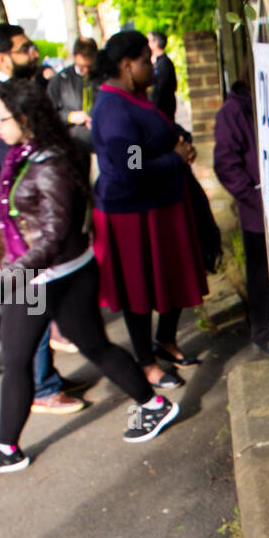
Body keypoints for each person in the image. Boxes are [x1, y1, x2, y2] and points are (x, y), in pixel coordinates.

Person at [0, 80, 179, 479]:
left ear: (24, 119)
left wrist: (8, 276)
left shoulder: (50, 164)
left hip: (52, 278)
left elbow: (53, 234)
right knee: (36, 356)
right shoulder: (28, 153)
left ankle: (9, 449)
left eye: (0, 118)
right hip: (45, 275)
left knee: (65, 352)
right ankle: (9, 447)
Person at [0, 24, 84, 413]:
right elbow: (0, 166)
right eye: (24, 49)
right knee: (31, 311)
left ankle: (44, 380)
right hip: (18, 225)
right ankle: (42, 388)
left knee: (42, 311)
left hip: (25, 224)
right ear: (3, 57)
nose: (34, 53)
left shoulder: (16, 93)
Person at [90, 30, 208, 387]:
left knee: (172, 278)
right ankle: (145, 363)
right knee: (138, 291)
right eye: (146, 60)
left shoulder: (136, 96)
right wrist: (174, 159)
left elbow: (159, 129)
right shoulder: (112, 108)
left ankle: (166, 341)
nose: (153, 66)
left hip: (161, 205)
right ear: (127, 66)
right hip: (132, 215)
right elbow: (132, 164)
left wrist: (181, 139)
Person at [212, 66, 269, 354]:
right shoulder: (233, 112)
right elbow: (226, 164)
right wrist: (254, 198)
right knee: (261, 275)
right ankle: (263, 332)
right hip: (257, 214)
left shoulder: (268, 100)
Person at [48, 37, 98, 151]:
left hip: (102, 142)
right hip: (74, 144)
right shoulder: (60, 80)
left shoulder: (104, 77)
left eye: (89, 66)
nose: (85, 70)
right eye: (81, 66)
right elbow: (49, 112)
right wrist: (70, 116)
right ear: (74, 57)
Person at [147, 31, 177, 122]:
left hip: (164, 110)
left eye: (148, 41)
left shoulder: (163, 64)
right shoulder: (160, 62)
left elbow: (160, 89)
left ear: (155, 43)